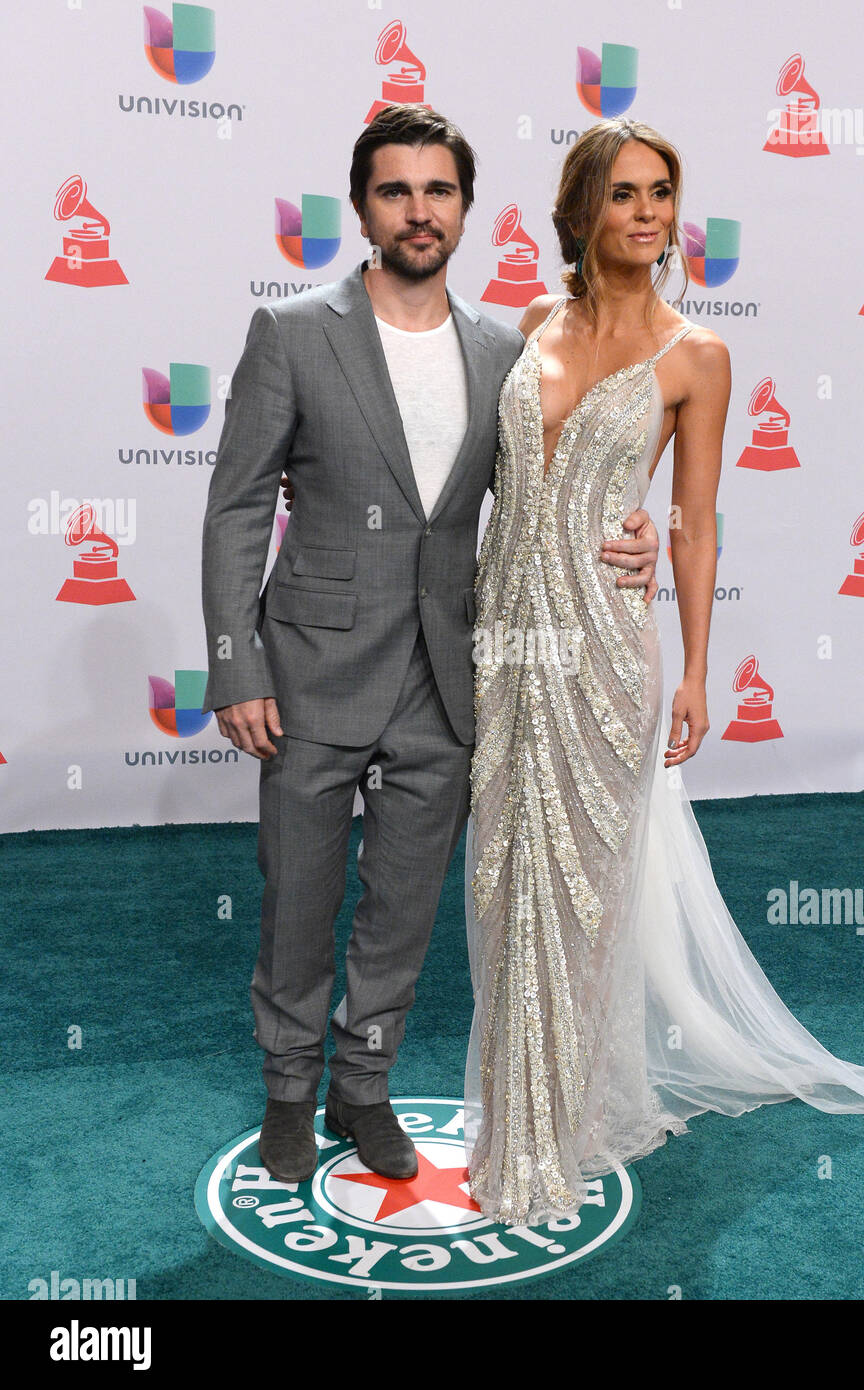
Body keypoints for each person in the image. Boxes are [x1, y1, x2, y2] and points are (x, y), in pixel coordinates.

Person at [462, 117, 864, 1227]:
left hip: (607, 648)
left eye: (662, 191)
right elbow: (497, 486)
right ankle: (510, 1105)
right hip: (509, 644)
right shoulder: (528, 324)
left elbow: (693, 523)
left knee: (582, 891)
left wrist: (700, 669)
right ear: (579, 212)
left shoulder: (696, 354)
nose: (648, 211)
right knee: (504, 878)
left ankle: (550, 1132)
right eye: (622, 193)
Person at [199, 104, 660, 1187]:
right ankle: (285, 1088)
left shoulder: (508, 350)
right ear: (363, 206)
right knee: (297, 897)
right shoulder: (293, 331)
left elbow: (544, 501)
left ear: (463, 208)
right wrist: (236, 662)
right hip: (308, 673)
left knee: (403, 905)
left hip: (451, 681)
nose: (419, 210)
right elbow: (234, 509)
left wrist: (630, 531)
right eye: (397, 191)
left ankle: (363, 1089)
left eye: (438, 191)